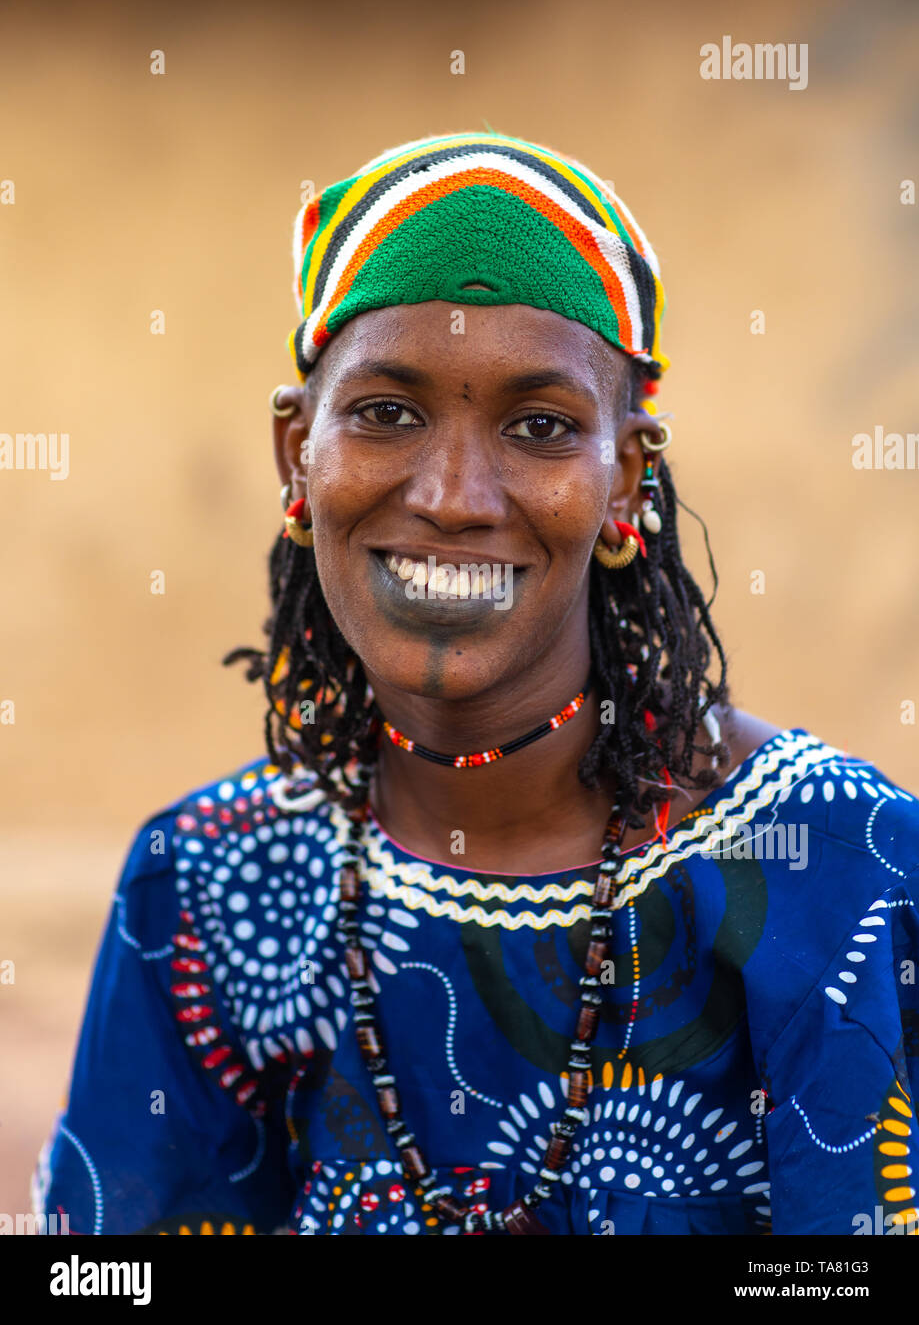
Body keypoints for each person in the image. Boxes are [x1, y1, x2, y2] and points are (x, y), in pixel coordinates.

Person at [33, 132, 919, 1236]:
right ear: (294, 454)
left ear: (625, 482)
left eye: (539, 426)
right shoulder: (210, 884)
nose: (453, 495)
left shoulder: (834, 868)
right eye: (388, 414)